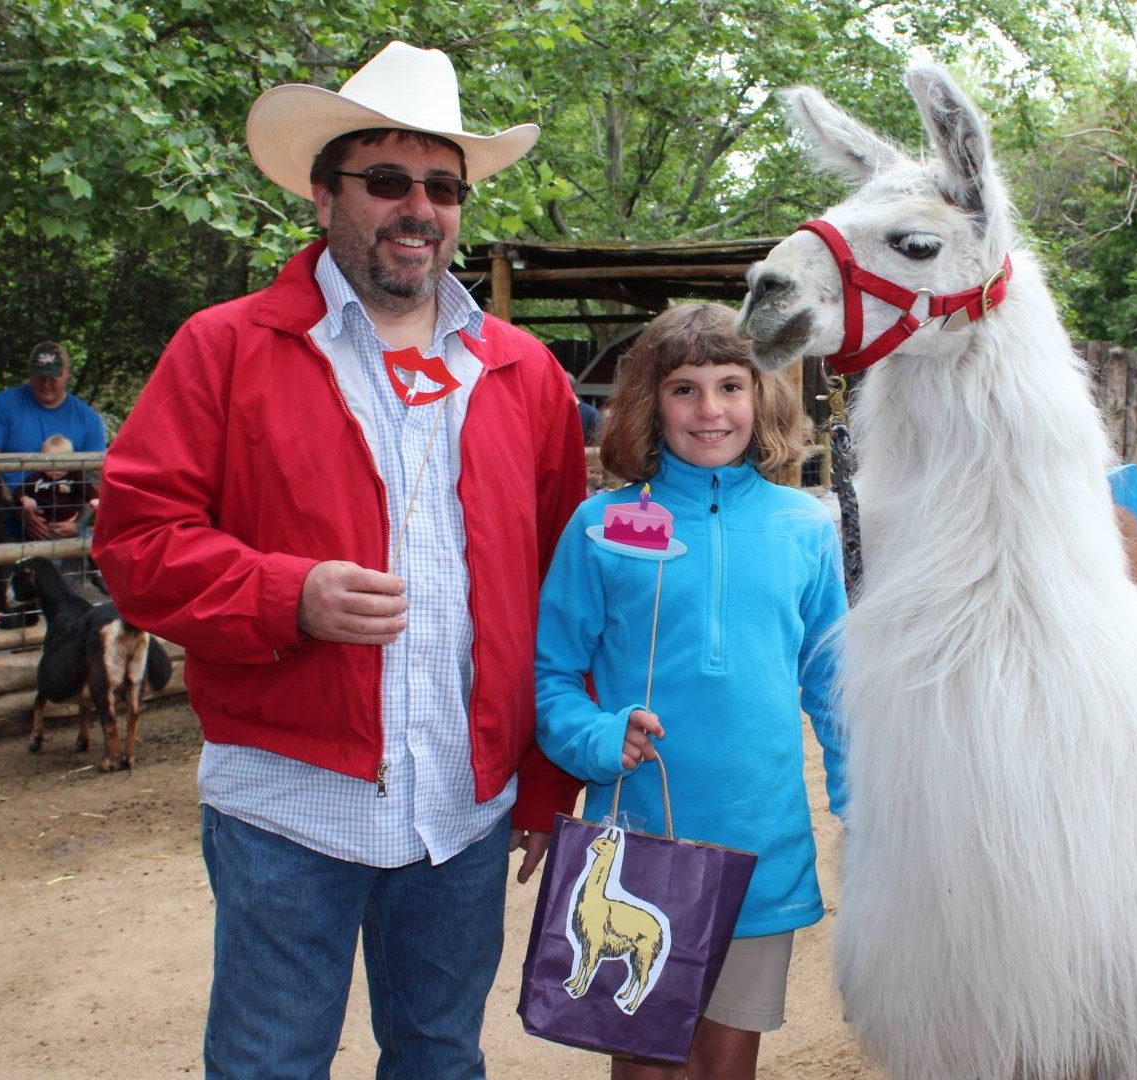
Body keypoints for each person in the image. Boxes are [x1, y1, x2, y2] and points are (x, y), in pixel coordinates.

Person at [90, 40, 586, 1080]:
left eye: (442, 186)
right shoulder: (224, 348)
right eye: (388, 181)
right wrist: (286, 594)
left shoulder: (521, 371)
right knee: (270, 1063)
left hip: (464, 806)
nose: (420, 207)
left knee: (441, 1059)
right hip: (286, 803)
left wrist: (542, 781)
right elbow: (137, 545)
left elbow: (560, 597)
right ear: (325, 196)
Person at [534, 303, 848, 1080]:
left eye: (730, 386)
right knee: (647, 1066)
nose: (710, 411)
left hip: (760, 846)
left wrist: (865, 805)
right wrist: (601, 738)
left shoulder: (805, 527)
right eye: (684, 389)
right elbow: (549, 677)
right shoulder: (598, 525)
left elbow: (837, 686)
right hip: (638, 845)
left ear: (762, 396)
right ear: (650, 403)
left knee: (724, 1064)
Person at [0, 341, 107, 541]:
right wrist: (16, 505)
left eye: (52, 378)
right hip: (9, 508)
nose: (46, 384)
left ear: (66, 374)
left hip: (65, 509)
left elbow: (98, 480)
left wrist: (79, 522)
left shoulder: (88, 418)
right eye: (40, 377)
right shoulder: (2, 404)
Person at [17, 434, 99, 531]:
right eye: (50, 463)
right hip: (42, 524)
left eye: (62, 463)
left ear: (70, 462)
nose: (55, 469)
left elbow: (88, 489)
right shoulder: (36, 477)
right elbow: (20, 490)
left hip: (68, 522)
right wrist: (25, 498)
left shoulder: (75, 477)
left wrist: (94, 499)